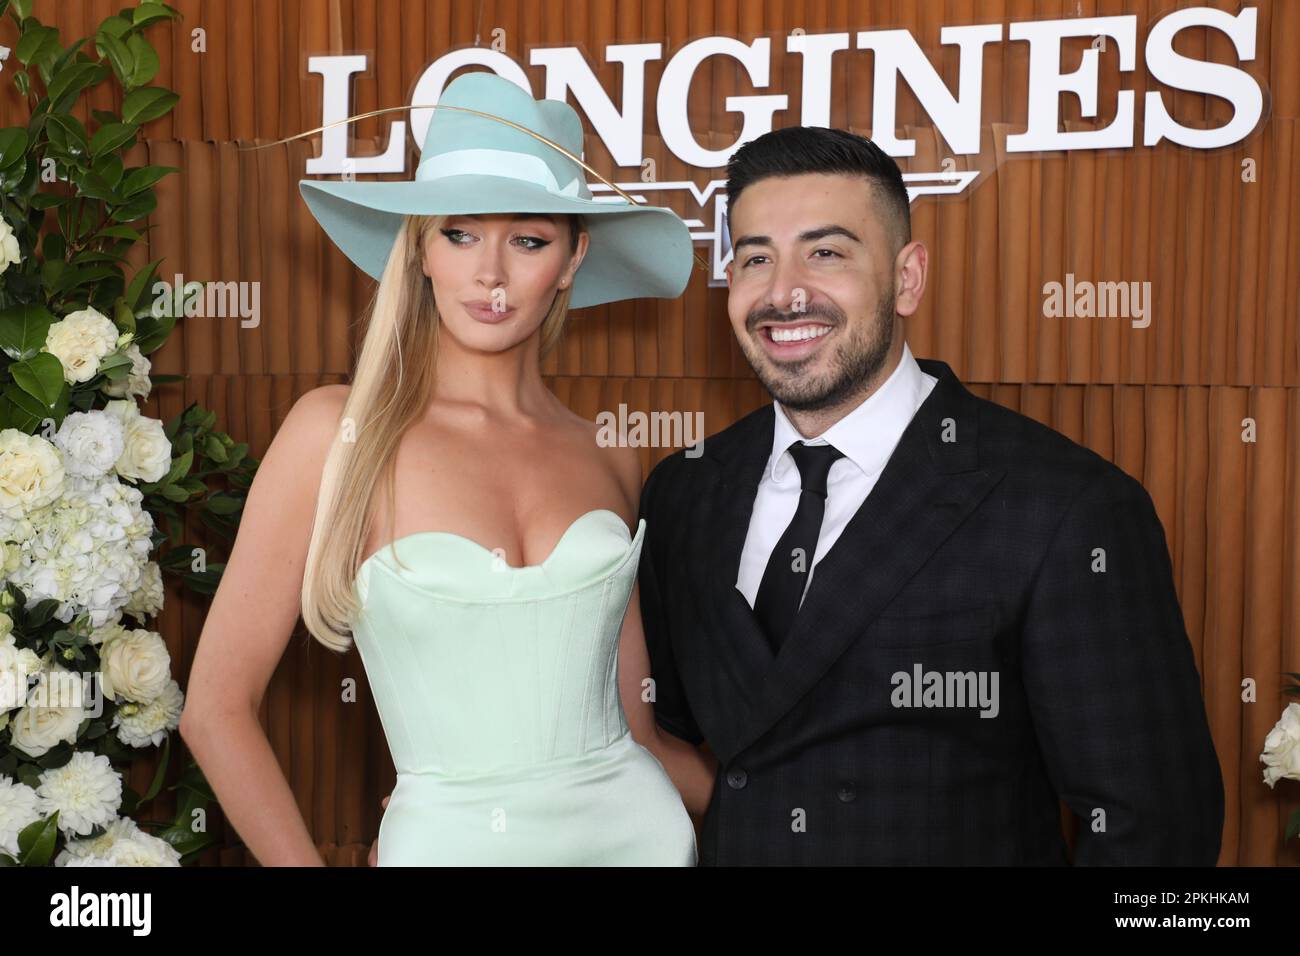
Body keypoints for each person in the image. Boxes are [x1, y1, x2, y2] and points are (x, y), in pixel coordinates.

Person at [634, 126, 1225, 865]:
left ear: (908, 278)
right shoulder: (686, 489)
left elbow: (1155, 830)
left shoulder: (1066, 508)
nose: (783, 292)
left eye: (826, 252)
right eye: (756, 258)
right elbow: (668, 733)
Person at [179, 71, 712, 865]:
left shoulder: (608, 450)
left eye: (528, 239)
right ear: (420, 248)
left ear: (572, 259)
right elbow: (215, 708)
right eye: (460, 233)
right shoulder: (337, 433)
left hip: (643, 841)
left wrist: (828, 799)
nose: (490, 273)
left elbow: (637, 728)